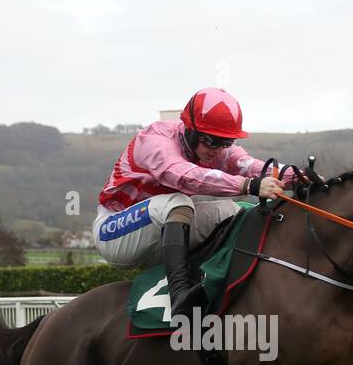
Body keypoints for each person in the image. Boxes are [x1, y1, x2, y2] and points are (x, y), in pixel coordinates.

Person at [93, 88, 294, 316]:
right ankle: (180, 295)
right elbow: (181, 175)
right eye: (212, 141)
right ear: (191, 130)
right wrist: (248, 185)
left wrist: (299, 177)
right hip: (114, 232)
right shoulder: (155, 140)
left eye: (226, 142)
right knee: (178, 203)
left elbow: (254, 167)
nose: (218, 150)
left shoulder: (216, 150)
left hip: (159, 232)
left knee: (234, 210)